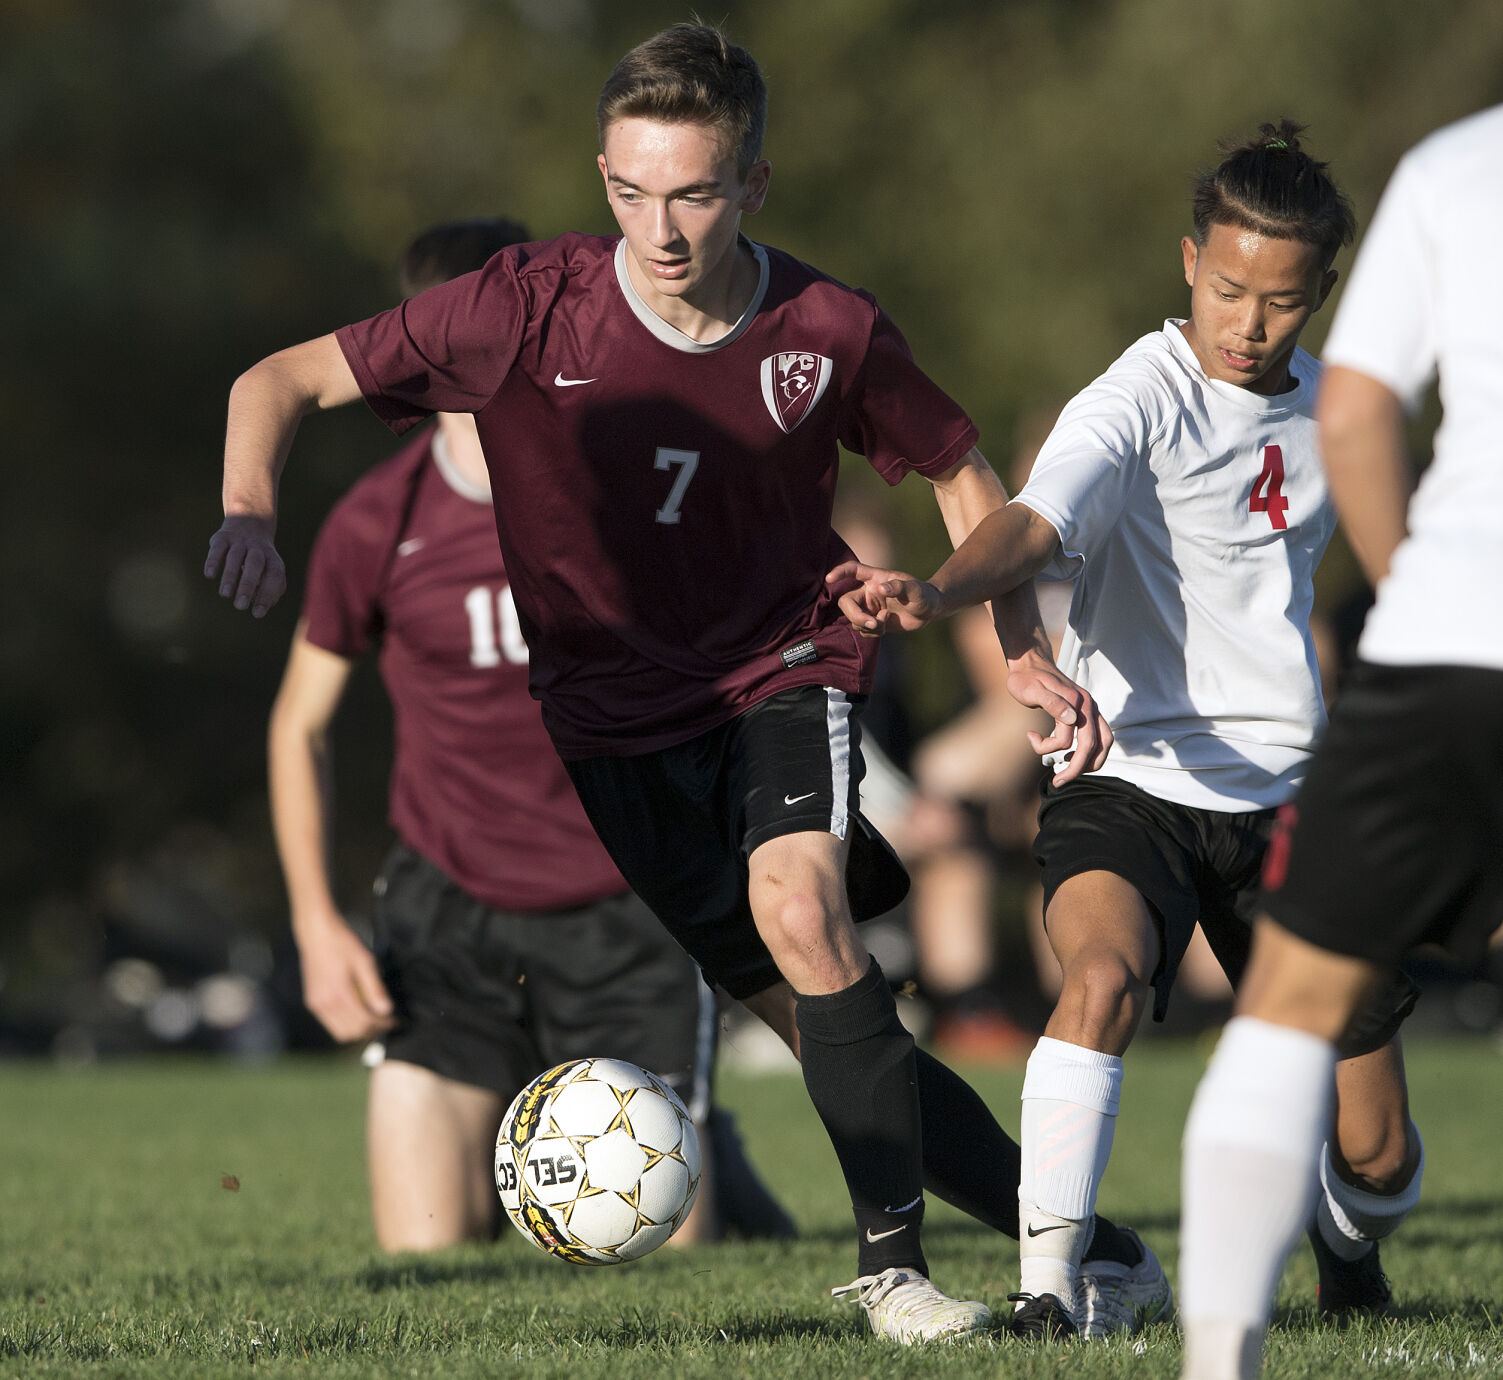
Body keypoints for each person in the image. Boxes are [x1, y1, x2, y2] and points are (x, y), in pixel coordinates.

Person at [205, 23, 1152, 1345]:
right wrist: (249, 509)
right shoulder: (521, 304)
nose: (660, 229)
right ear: (603, 175)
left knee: (803, 912)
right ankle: (1098, 1247)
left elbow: (954, 469)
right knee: (829, 1023)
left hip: (781, 666)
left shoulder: (823, 329)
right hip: (611, 732)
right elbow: (280, 377)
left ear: (750, 184)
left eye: (694, 192)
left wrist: (1009, 649)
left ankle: (892, 1276)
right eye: (631, 193)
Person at [832, 123, 1425, 1340]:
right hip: (1131, 776)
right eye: (1224, 289)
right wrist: (942, 592)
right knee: (1097, 977)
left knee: (1379, 1151)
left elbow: (1407, 567)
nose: (1246, 323)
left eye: (1280, 301)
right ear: (1188, 261)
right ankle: (1050, 1291)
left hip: (1286, 793)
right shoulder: (1137, 393)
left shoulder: (1348, 415)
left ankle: (1345, 1234)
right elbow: (1037, 522)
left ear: (1320, 296)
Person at [267, 216, 796, 1252]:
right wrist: (315, 927)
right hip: (448, 917)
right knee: (427, 1248)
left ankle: (709, 1151)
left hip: (624, 912)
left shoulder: (639, 501)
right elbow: (301, 729)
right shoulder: (376, 525)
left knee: (657, 1247)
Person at [1177, 105, 1503, 1380]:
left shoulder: (1458, 168)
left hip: (1456, 642)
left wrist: (1411, 592)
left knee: (1286, 1014)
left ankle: (1220, 1362)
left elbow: (1358, 415)